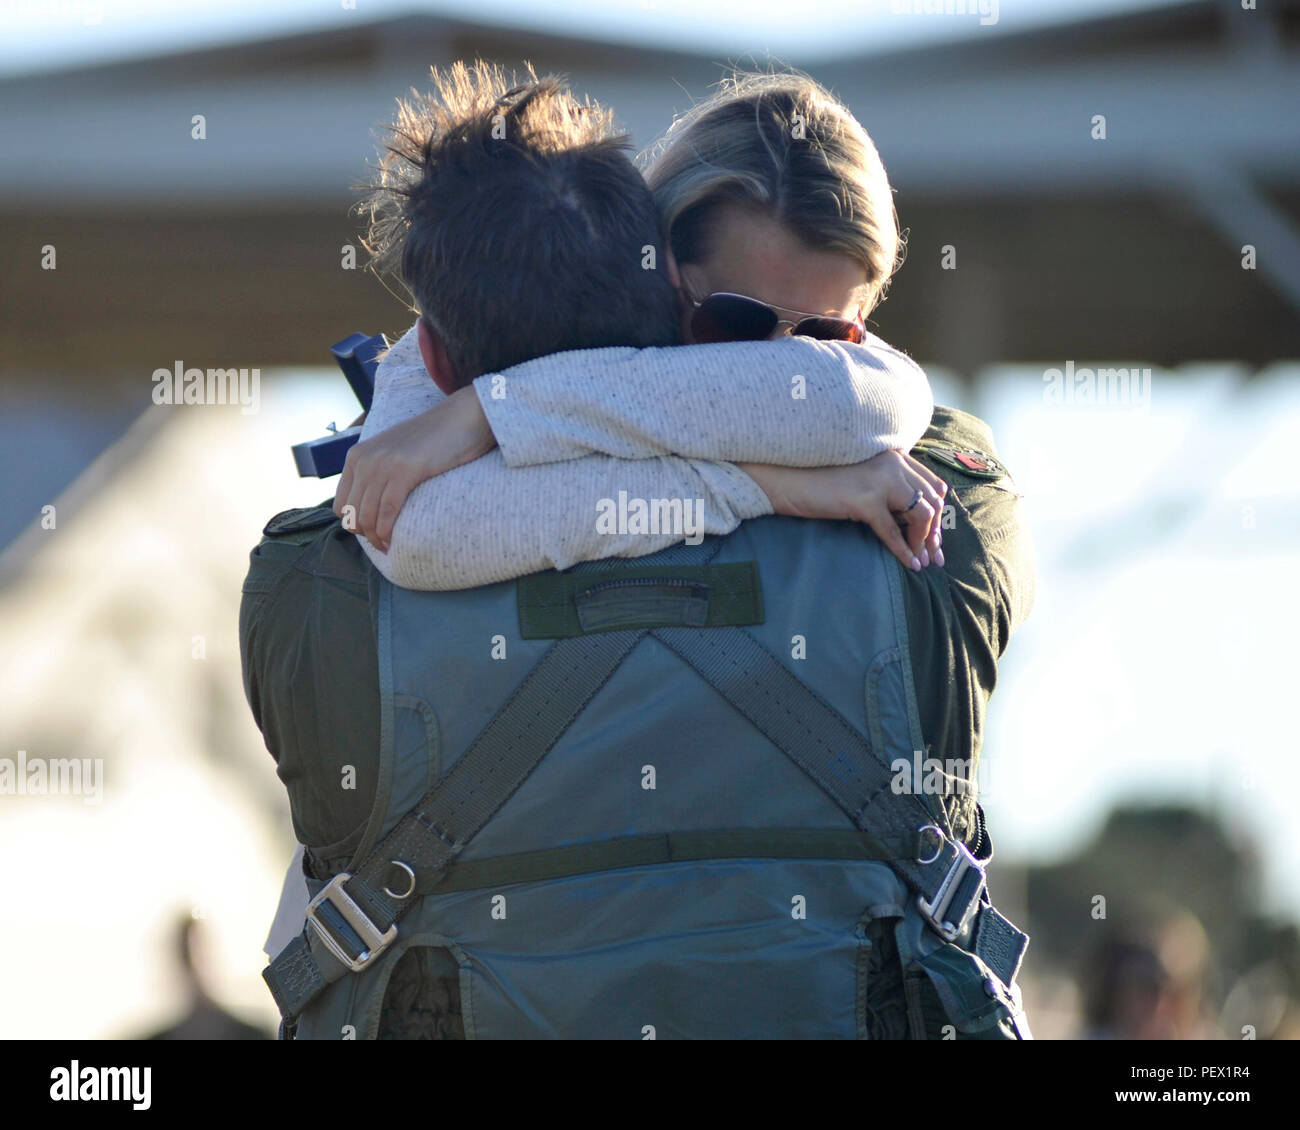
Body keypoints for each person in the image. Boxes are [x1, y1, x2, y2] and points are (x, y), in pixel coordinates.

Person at [243, 63, 1033, 1039]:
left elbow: (861, 399)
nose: (769, 372)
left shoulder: (313, 580)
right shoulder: (944, 519)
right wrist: (774, 482)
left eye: (825, 340)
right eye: (735, 325)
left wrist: (495, 414)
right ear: (650, 280)